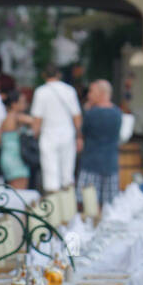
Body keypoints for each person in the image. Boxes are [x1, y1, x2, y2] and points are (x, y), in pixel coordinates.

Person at [30, 62, 82, 205]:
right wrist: (79, 137)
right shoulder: (69, 90)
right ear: (58, 74)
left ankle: (54, 212)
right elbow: (77, 117)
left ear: (44, 75)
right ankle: (68, 210)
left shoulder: (41, 92)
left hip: (49, 136)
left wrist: (35, 134)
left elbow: (37, 120)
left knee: (50, 174)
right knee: (67, 174)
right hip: (67, 135)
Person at [77, 79, 123, 211]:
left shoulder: (92, 113)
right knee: (108, 205)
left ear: (101, 93)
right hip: (111, 163)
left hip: (91, 162)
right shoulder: (117, 113)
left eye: (92, 92)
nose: (89, 95)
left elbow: (83, 132)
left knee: (88, 204)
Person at [0, 89, 35, 189]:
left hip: (6, 157)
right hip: (16, 158)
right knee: (20, 192)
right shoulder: (16, 116)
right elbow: (35, 122)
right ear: (14, 104)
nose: (25, 104)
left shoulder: (5, 118)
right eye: (22, 102)